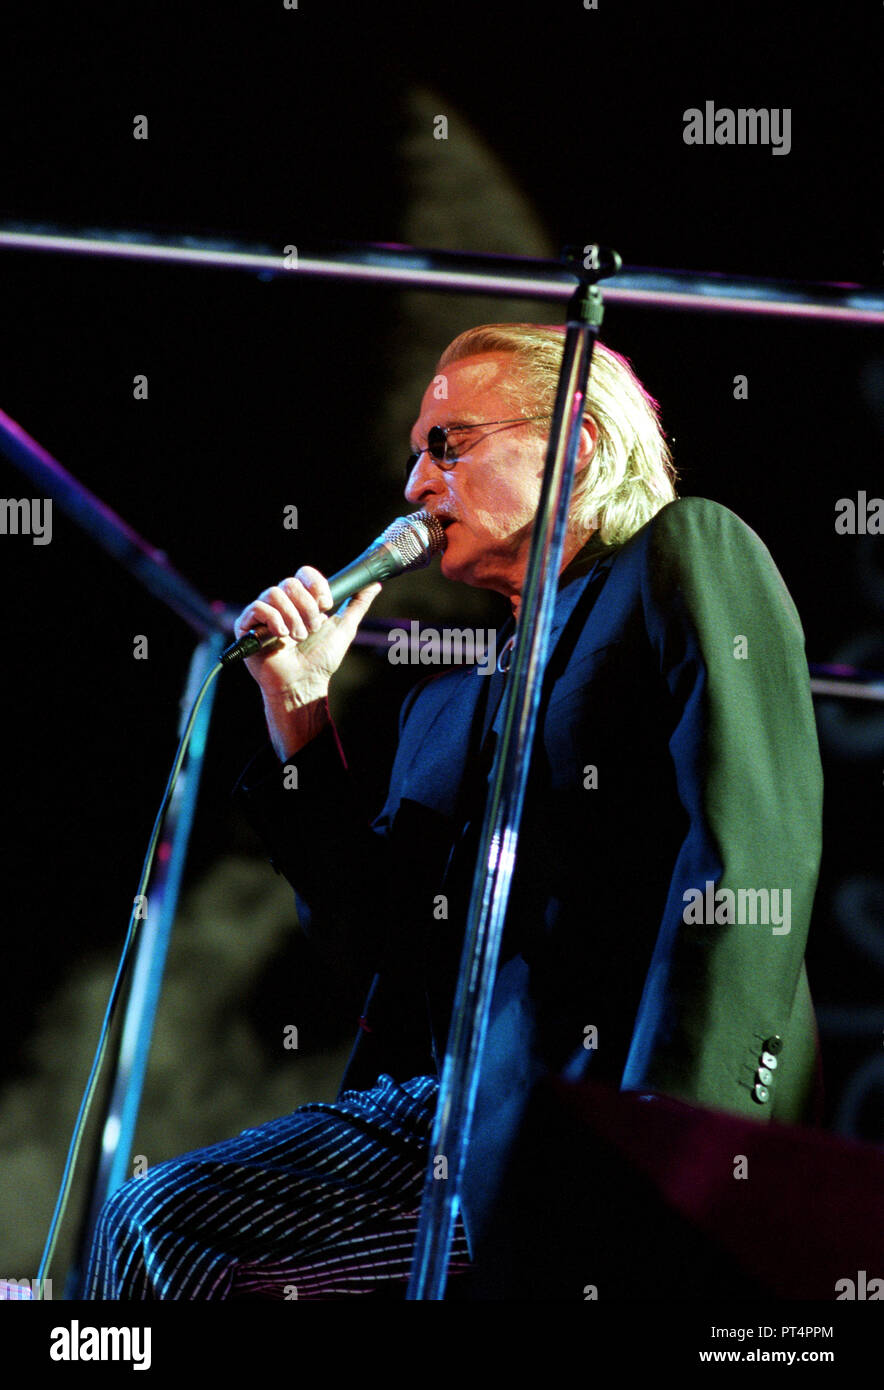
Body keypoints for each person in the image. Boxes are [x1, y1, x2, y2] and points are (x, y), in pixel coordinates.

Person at [84, 324, 823, 1300]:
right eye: (411, 457)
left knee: (166, 1228)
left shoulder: (680, 558)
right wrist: (298, 710)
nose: (415, 488)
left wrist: (674, 1138)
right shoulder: (442, 710)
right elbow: (381, 953)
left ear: (576, 444)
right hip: (444, 1124)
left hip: (601, 1105)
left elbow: (747, 848)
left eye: (448, 444)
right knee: (163, 1235)